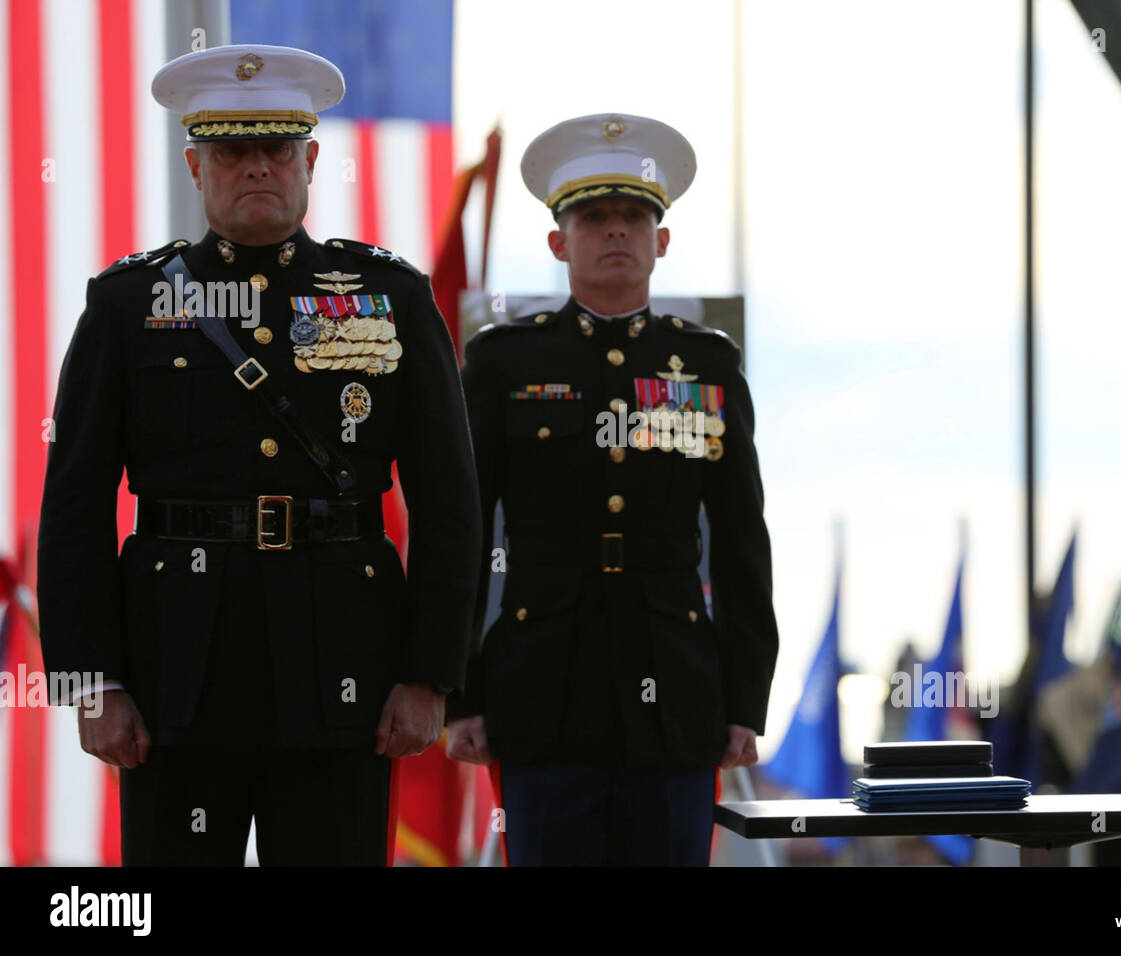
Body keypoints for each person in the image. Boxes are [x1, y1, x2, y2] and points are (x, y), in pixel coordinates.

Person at [35, 44, 480, 866]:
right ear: (195, 167)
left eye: (276, 150)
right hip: (176, 670)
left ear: (310, 161)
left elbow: (450, 501)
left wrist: (430, 676)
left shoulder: (388, 296)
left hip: (344, 667)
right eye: (232, 152)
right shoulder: (131, 302)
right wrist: (89, 680)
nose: (256, 169)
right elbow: (74, 502)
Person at [445, 113, 779, 866]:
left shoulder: (705, 369)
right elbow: (464, 534)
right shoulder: (503, 364)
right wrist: (460, 691)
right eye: (593, 217)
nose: (616, 232)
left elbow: (740, 539)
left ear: (662, 240)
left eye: (635, 216)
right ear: (559, 242)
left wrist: (743, 698)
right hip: (540, 692)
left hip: (678, 696)